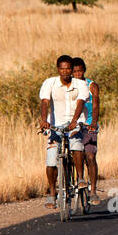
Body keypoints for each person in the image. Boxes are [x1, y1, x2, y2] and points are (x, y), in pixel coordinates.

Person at [39, 54, 89, 208]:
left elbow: (81, 102)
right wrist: (43, 120)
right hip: (56, 126)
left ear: (72, 70)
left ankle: (80, 178)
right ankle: (52, 193)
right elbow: (45, 102)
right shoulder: (50, 83)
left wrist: (75, 121)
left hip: (75, 123)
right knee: (51, 160)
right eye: (62, 68)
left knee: (75, 145)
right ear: (58, 69)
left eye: (68, 69)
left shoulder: (80, 84)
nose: (65, 71)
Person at [71, 57, 101, 207]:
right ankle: (78, 179)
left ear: (84, 70)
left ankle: (93, 191)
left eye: (80, 71)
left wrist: (93, 123)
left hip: (88, 125)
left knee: (90, 156)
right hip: (73, 125)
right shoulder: (69, 86)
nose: (77, 74)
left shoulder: (91, 85)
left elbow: (95, 106)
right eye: (74, 71)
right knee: (75, 153)